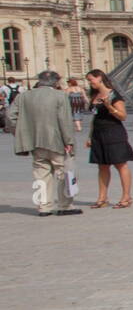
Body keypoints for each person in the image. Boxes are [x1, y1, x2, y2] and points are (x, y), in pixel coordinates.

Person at [13, 69, 80, 216]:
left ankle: (44, 207)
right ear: (55, 82)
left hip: (35, 143)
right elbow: (64, 120)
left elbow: (11, 116)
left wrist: (21, 132)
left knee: (41, 175)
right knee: (63, 173)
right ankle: (65, 205)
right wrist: (68, 140)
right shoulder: (60, 96)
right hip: (57, 142)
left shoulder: (23, 96)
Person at [85, 68, 133, 208]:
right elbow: (94, 117)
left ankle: (126, 197)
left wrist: (109, 106)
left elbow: (123, 116)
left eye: (91, 80)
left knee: (120, 164)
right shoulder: (94, 95)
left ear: (100, 77)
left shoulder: (114, 95)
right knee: (102, 166)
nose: (90, 83)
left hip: (113, 132)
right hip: (98, 133)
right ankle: (102, 198)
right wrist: (90, 136)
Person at [65, 77, 89, 142]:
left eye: (68, 83)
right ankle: (79, 125)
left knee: (75, 113)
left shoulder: (69, 89)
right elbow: (85, 96)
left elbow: (65, 97)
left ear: (70, 83)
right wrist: (88, 103)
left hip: (73, 102)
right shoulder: (80, 88)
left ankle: (79, 127)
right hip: (80, 102)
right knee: (79, 113)